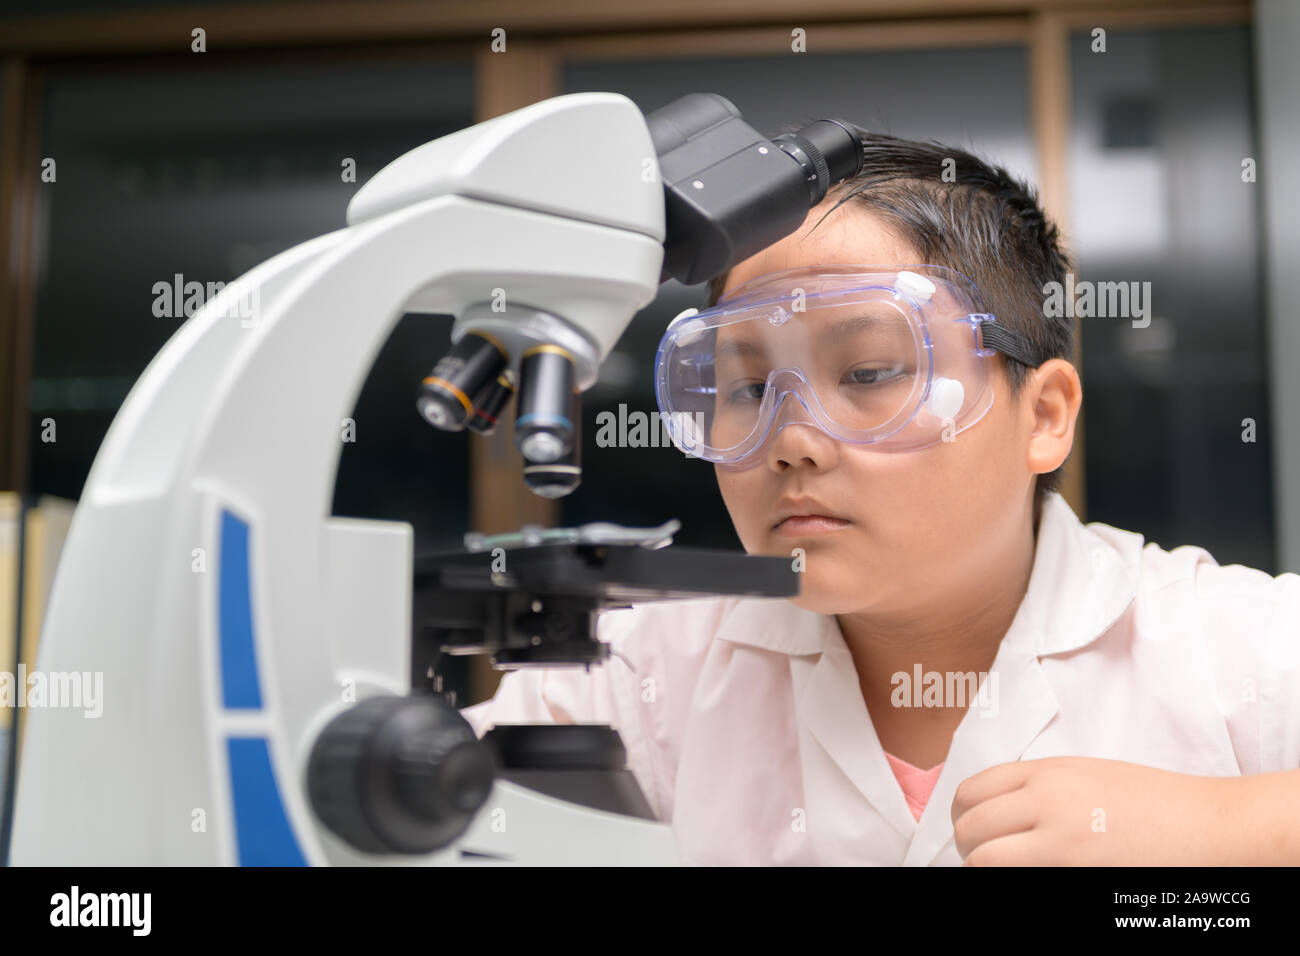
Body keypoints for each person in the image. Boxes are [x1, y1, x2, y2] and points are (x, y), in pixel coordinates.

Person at [460, 130, 1300, 865]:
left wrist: (1237, 832)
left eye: (867, 373)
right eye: (747, 388)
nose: (791, 441)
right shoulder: (635, 671)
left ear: (1043, 416)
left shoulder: (1238, 653)